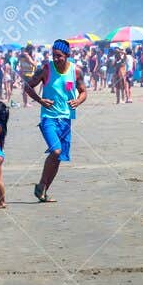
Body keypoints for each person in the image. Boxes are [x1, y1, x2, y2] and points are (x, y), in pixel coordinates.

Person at [24, 39, 87, 203]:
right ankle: (42, 185)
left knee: (59, 158)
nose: (56, 59)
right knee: (56, 151)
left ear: (67, 55)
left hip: (66, 119)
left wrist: (78, 101)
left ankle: (43, 189)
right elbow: (27, 86)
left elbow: (83, 92)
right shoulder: (46, 69)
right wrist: (40, 100)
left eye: (59, 56)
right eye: (54, 55)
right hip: (48, 118)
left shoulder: (76, 71)